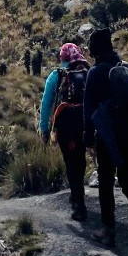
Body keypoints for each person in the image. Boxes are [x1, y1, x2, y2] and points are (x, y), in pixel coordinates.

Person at [83, 27, 128, 249]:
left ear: (94, 51)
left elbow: (88, 110)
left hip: (108, 137)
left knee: (106, 182)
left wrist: (88, 140)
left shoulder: (95, 73)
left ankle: (108, 231)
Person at [39, 42, 89, 221]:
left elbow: (46, 103)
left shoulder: (57, 75)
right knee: (80, 159)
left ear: (62, 57)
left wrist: (44, 129)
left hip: (66, 127)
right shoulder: (87, 71)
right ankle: (77, 194)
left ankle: (78, 204)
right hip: (85, 124)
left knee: (70, 162)